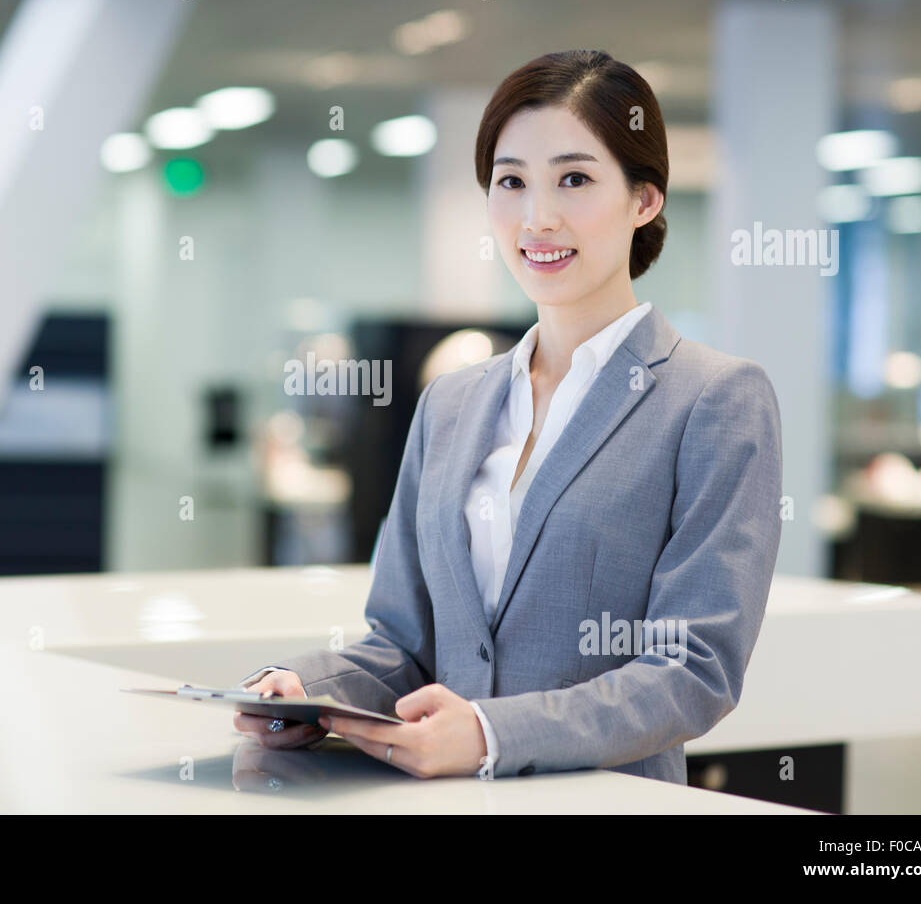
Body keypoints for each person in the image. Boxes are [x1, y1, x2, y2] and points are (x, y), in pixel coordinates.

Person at [234, 50, 783, 783]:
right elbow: (404, 646)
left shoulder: (715, 399)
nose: (537, 218)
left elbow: (694, 670)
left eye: (575, 179)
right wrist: (309, 693)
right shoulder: (450, 403)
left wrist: (491, 733)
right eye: (511, 181)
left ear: (645, 199)